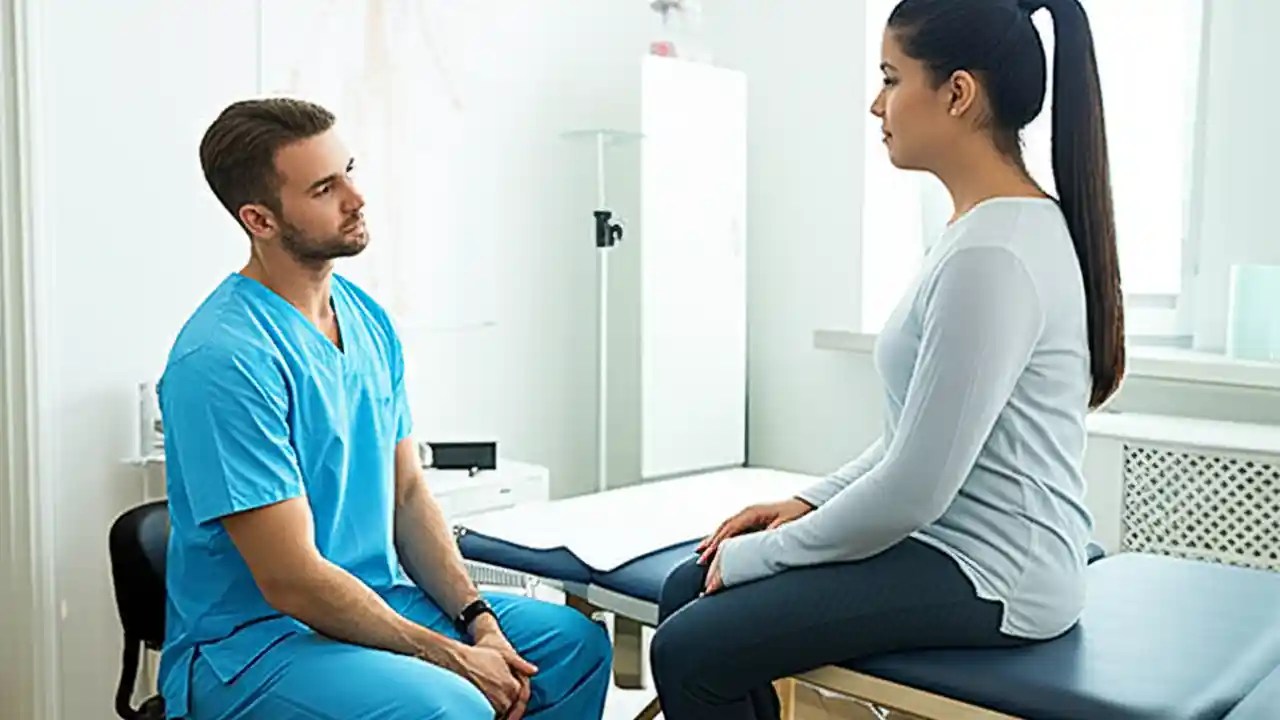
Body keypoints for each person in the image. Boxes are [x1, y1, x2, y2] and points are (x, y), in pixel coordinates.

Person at [650, 0, 1124, 717]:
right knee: (685, 590)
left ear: (958, 94)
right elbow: (918, 440)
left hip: (1000, 575)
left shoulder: (995, 253)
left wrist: (763, 554)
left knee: (688, 648)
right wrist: (806, 502)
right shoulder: (985, 230)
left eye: (891, 78)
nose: (877, 104)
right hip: (957, 547)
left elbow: (913, 490)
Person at [157, 98, 612, 720]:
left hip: (378, 601)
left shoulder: (365, 319)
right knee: (452, 707)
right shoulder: (223, 359)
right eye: (325, 187)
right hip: (260, 646)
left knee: (572, 646)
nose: (357, 197)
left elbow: (405, 494)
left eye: (349, 170)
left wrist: (477, 621)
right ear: (260, 219)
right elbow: (291, 581)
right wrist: (451, 658)